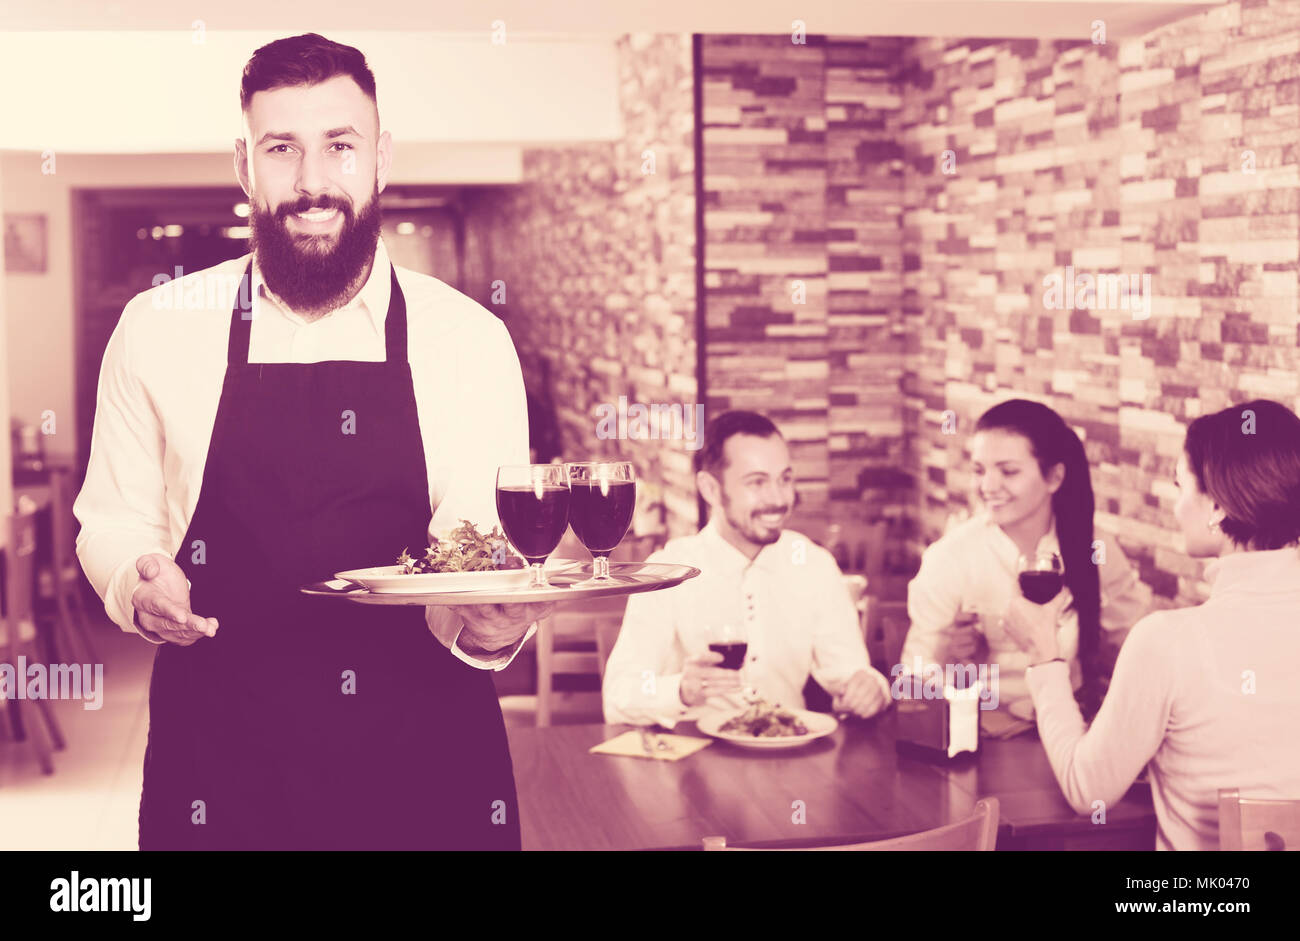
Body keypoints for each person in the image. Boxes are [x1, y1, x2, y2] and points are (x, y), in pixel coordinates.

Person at [73, 33, 550, 850]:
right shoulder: (158, 330)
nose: (312, 182)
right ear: (243, 163)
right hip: (219, 763)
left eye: (340, 146)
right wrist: (134, 580)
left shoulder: (469, 340)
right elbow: (114, 521)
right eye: (282, 148)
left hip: (426, 764)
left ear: (381, 156)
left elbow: (477, 556)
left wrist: (495, 624)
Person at [1003, 399, 1300, 850]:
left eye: (1181, 487)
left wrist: (1044, 653)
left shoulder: (1169, 641)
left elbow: (1088, 789)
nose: (1176, 507)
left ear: (1217, 506)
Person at [602, 410, 891, 727]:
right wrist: (681, 690)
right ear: (711, 489)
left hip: (790, 759)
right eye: (757, 482)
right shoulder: (666, 572)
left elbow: (851, 673)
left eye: (785, 479)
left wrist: (871, 688)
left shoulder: (813, 564)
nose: (779, 498)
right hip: (691, 767)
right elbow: (618, 696)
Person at [899, 400, 1151, 714]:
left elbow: (1136, 647)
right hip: (980, 734)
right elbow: (910, 687)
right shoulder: (951, 557)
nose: (988, 486)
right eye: (979, 470)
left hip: (1068, 728)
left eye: (1008, 471)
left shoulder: (1094, 547)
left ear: (1054, 478)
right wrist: (951, 663)